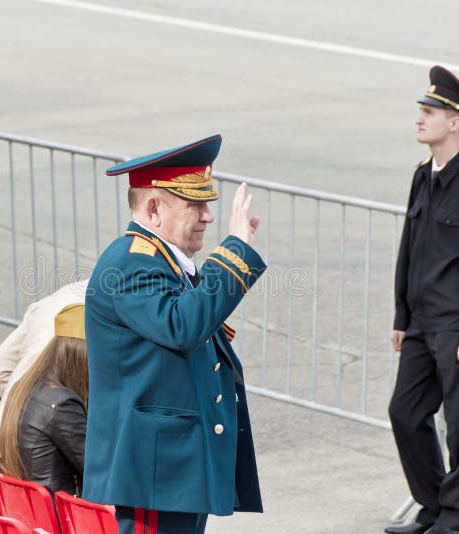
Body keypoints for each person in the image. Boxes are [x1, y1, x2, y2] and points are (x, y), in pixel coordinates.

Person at [83, 134, 265, 533]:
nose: (207, 216)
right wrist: (234, 251)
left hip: (173, 466)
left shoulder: (164, 261)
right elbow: (183, 326)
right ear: (153, 208)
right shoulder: (133, 263)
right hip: (154, 470)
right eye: (194, 204)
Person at [386, 66, 459, 534]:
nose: (420, 118)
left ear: (454, 121)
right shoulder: (423, 175)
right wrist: (401, 314)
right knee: (405, 412)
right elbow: (409, 248)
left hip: (458, 326)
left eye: (429, 111)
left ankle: (456, 520)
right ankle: (433, 505)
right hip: (420, 322)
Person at [0, 303, 88, 495]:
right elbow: (99, 470)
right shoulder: (63, 405)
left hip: (36, 510)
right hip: (61, 516)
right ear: (82, 357)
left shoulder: (28, 385)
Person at [0, 279, 88, 457]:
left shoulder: (61, 295)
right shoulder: (87, 313)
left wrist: (28, 412)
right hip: (51, 442)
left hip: (8, 434)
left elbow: (1, 365)